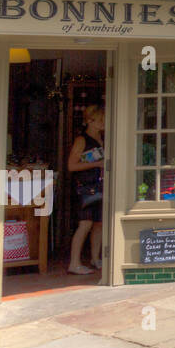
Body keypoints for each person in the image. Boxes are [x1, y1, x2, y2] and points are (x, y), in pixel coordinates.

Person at [67, 104, 105, 275]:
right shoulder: (81, 140)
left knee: (99, 224)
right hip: (85, 187)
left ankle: (95, 258)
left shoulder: (101, 139)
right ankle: (74, 263)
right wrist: (97, 163)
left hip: (99, 185)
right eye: (100, 120)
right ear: (90, 121)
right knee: (85, 224)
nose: (104, 123)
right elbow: (71, 166)